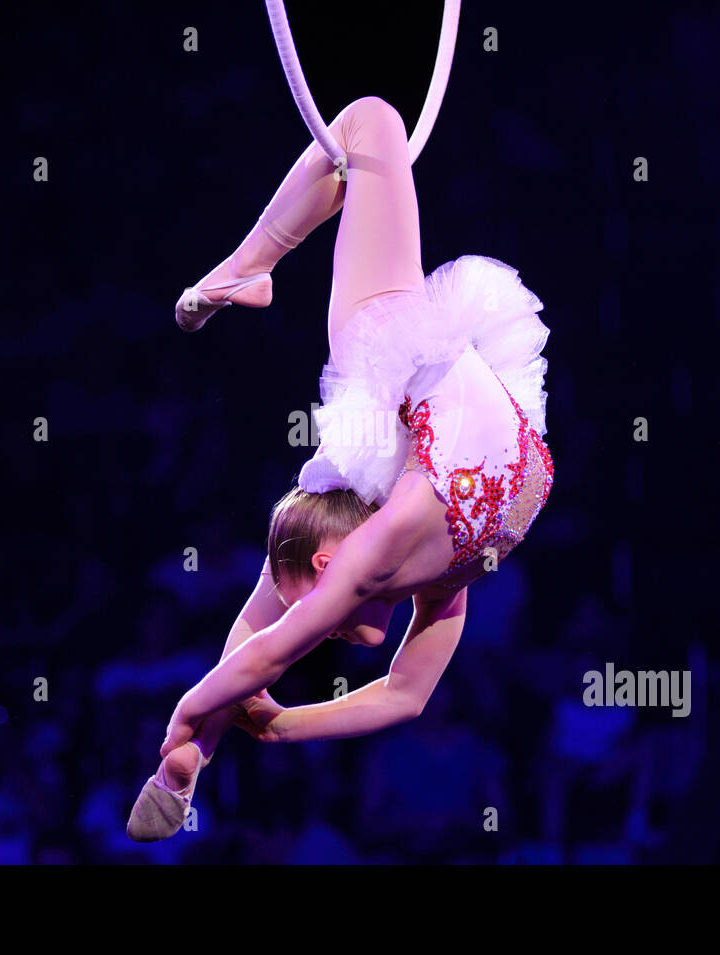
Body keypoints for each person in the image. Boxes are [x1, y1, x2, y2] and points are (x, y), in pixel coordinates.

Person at [127, 96, 552, 842]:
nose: (316, 633)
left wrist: (185, 734)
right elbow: (403, 697)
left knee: (370, 125)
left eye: (309, 616)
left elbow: (261, 647)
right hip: (455, 418)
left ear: (329, 564)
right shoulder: (429, 578)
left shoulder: (372, 556)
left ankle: (247, 266)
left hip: (412, 369)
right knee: (365, 130)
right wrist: (279, 727)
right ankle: (248, 265)